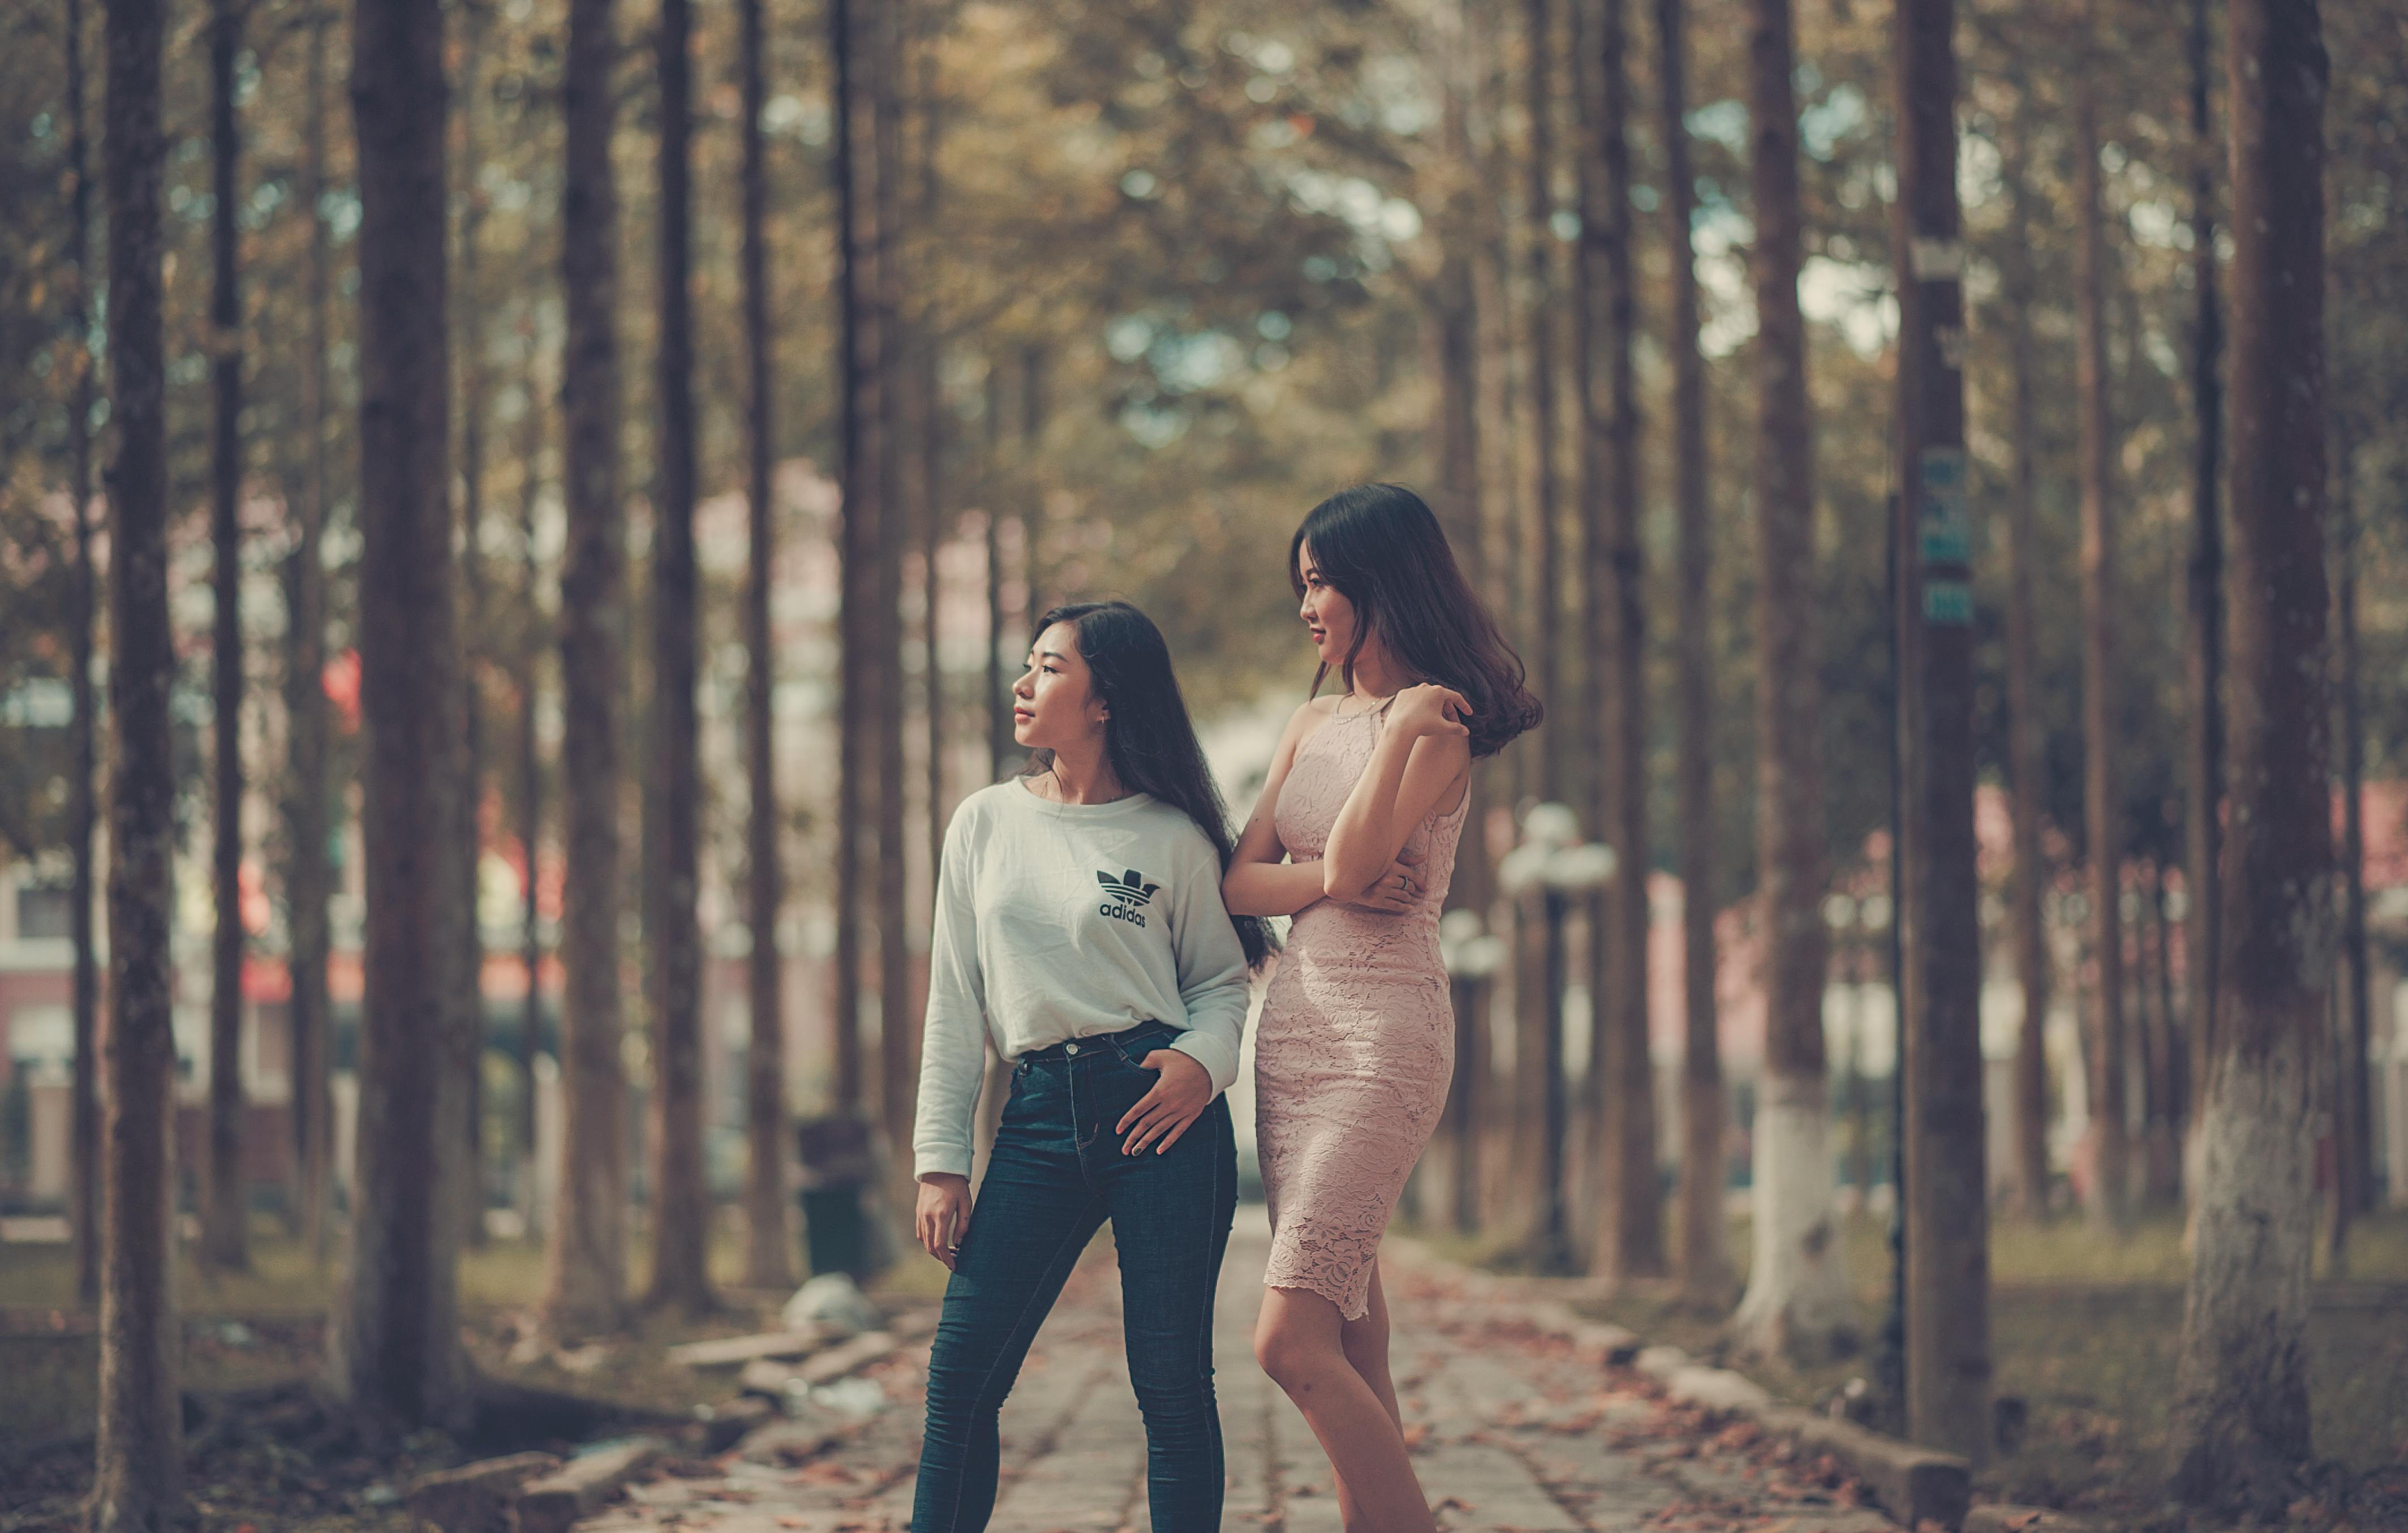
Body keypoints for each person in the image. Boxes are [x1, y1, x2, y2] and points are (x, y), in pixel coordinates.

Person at [908, 600, 1270, 1533]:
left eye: (1050, 668)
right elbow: (956, 999)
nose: (1024, 686)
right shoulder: (983, 822)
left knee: (1173, 1388)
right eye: (1027, 666)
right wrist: (941, 1160)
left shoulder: (1172, 837)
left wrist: (1201, 1065)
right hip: (1034, 1115)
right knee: (959, 1380)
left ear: (1106, 697)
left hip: (1161, 1110)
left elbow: (1223, 986)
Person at [1226, 483, 1542, 1532]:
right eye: (1301, 582)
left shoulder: (1437, 720)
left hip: (1382, 1041)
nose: (1307, 604)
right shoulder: (1312, 718)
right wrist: (1329, 877)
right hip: (1293, 1040)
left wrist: (1401, 728)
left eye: (1322, 581)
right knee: (1354, 1334)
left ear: (1381, 584)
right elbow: (1241, 882)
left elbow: (1360, 858)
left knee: (1289, 1340)